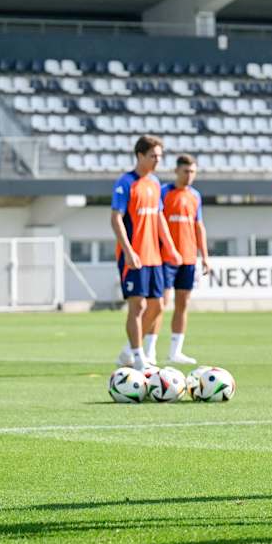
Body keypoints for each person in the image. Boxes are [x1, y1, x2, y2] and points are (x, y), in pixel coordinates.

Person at [111, 135, 182, 370]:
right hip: (133, 256)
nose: (157, 161)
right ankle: (138, 356)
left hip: (154, 256)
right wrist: (128, 251)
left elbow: (159, 217)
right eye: (153, 156)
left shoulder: (154, 184)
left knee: (158, 305)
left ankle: (128, 350)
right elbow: (116, 219)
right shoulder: (126, 182)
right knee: (138, 306)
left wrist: (170, 246)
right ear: (140, 156)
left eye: (159, 156)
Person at [155, 154, 210, 365]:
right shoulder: (164, 193)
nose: (189, 176)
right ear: (176, 171)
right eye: (186, 171)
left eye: (193, 172)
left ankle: (175, 352)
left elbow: (198, 227)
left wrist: (204, 256)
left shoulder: (195, 196)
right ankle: (148, 349)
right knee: (161, 303)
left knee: (182, 304)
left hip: (188, 258)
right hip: (166, 258)